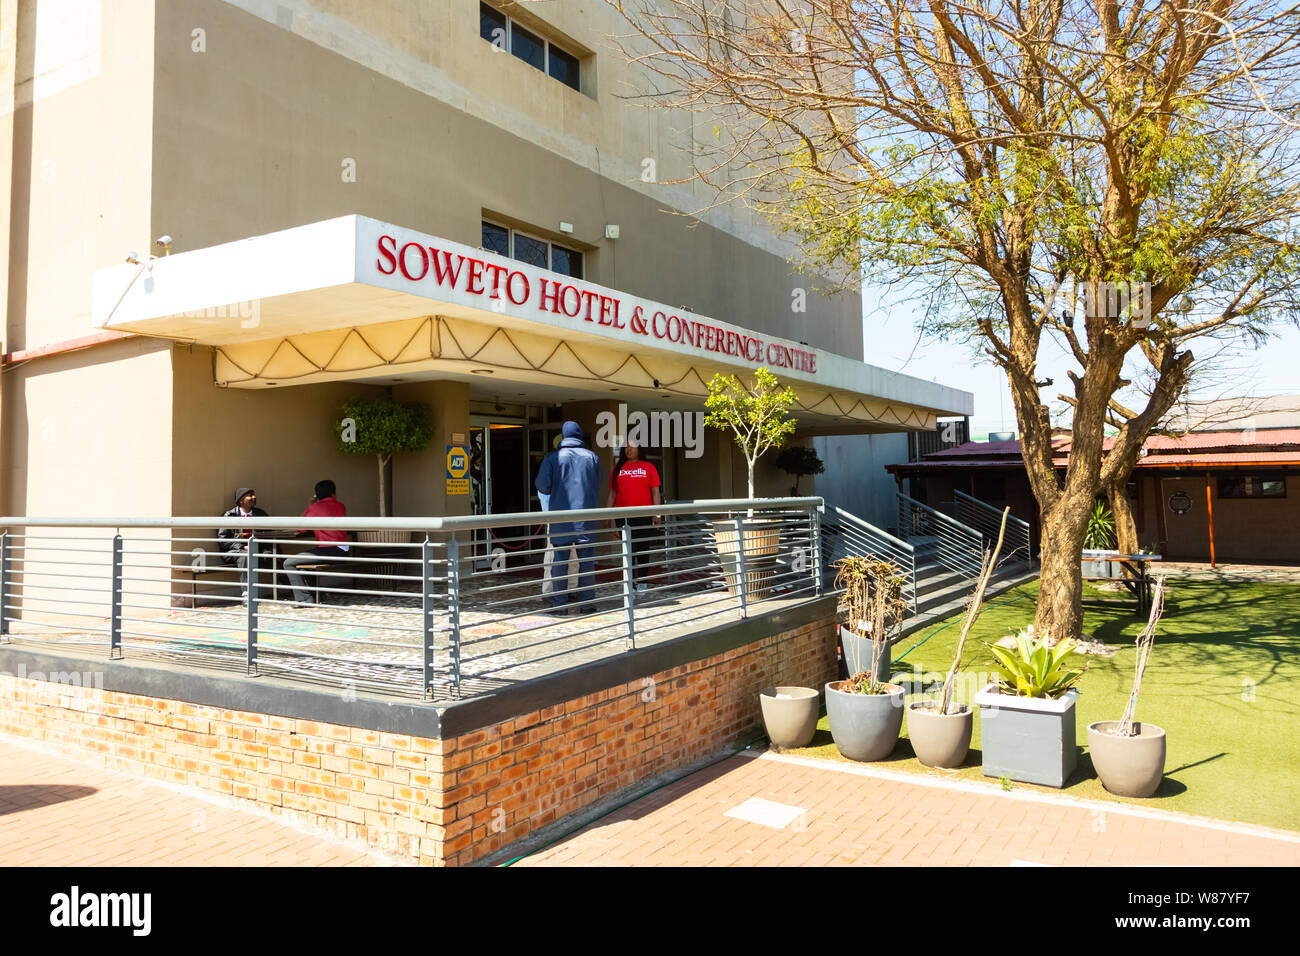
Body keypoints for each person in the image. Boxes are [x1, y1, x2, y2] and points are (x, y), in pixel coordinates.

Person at [534, 421, 601, 615]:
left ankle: (560, 605)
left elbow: (542, 486)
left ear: (563, 437)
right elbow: (597, 483)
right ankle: (587, 605)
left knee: (560, 563)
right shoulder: (592, 457)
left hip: (561, 518)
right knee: (586, 563)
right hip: (586, 518)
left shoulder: (553, 458)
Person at [606, 442, 662, 596]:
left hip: (644, 515)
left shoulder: (648, 467)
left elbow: (656, 492)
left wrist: (657, 513)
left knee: (643, 550)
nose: (629, 449)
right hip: (623, 516)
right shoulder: (617, 468)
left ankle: (642, 583)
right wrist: (606, 513)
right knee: (628, 551)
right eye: (626, 447)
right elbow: (612, 493)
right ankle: (629, 583)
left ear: (639, 449)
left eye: (632, 447)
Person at [284, 480, 349, 606]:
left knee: (288, 563)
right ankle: (315, 594)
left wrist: (312, 505)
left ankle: (303, 599)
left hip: (329, 551)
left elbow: (300, 527)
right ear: (333, 494)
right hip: (343, 550)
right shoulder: (341, 506)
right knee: (302, 564)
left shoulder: (315, 508)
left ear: (317, 495)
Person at [218, 487, 267, 599]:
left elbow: (269, 532)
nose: (254, 497)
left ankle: (289, 590)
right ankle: (247, 594)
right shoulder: (229, 515)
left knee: (272, 555)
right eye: (250, 495)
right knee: (245, 557)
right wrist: (242, 546)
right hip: (234, 551)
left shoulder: (260, 514)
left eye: (254, 495)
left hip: (257, 549)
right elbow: (223, 539)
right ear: (241, 500)